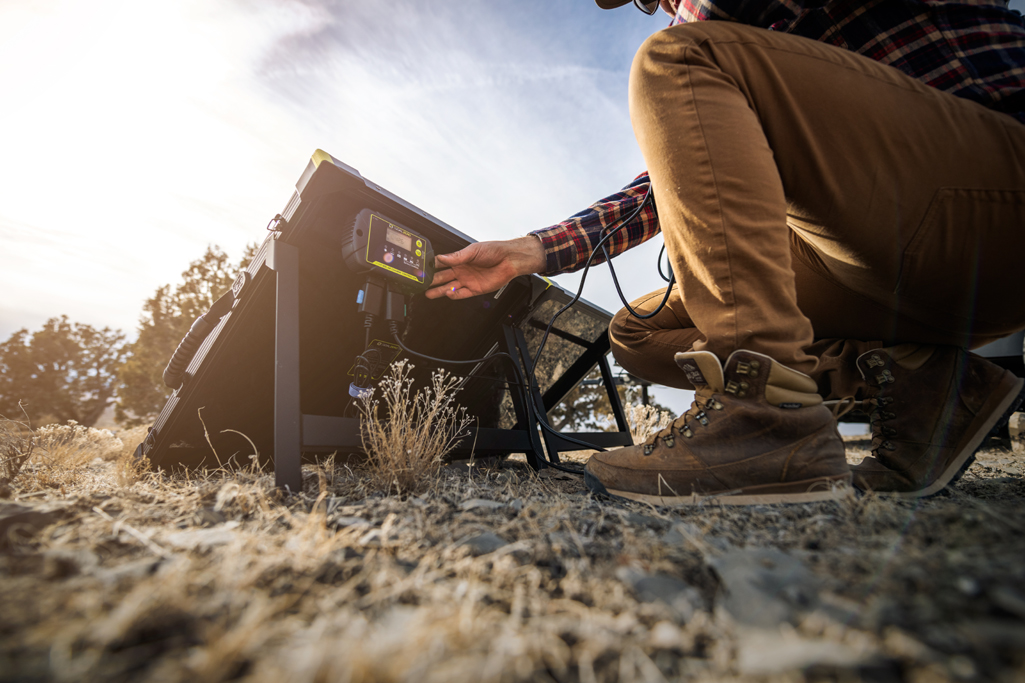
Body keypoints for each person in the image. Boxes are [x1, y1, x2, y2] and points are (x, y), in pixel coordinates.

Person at [426, 0, 1025, 504]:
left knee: (677, 60)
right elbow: (667, 186)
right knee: (638, 330)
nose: (653, 7)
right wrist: (533, 250)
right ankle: (930, 384)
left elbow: (691, 65)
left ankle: (768, 416)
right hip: (909, 259)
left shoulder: (707, 35)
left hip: (993, 190)